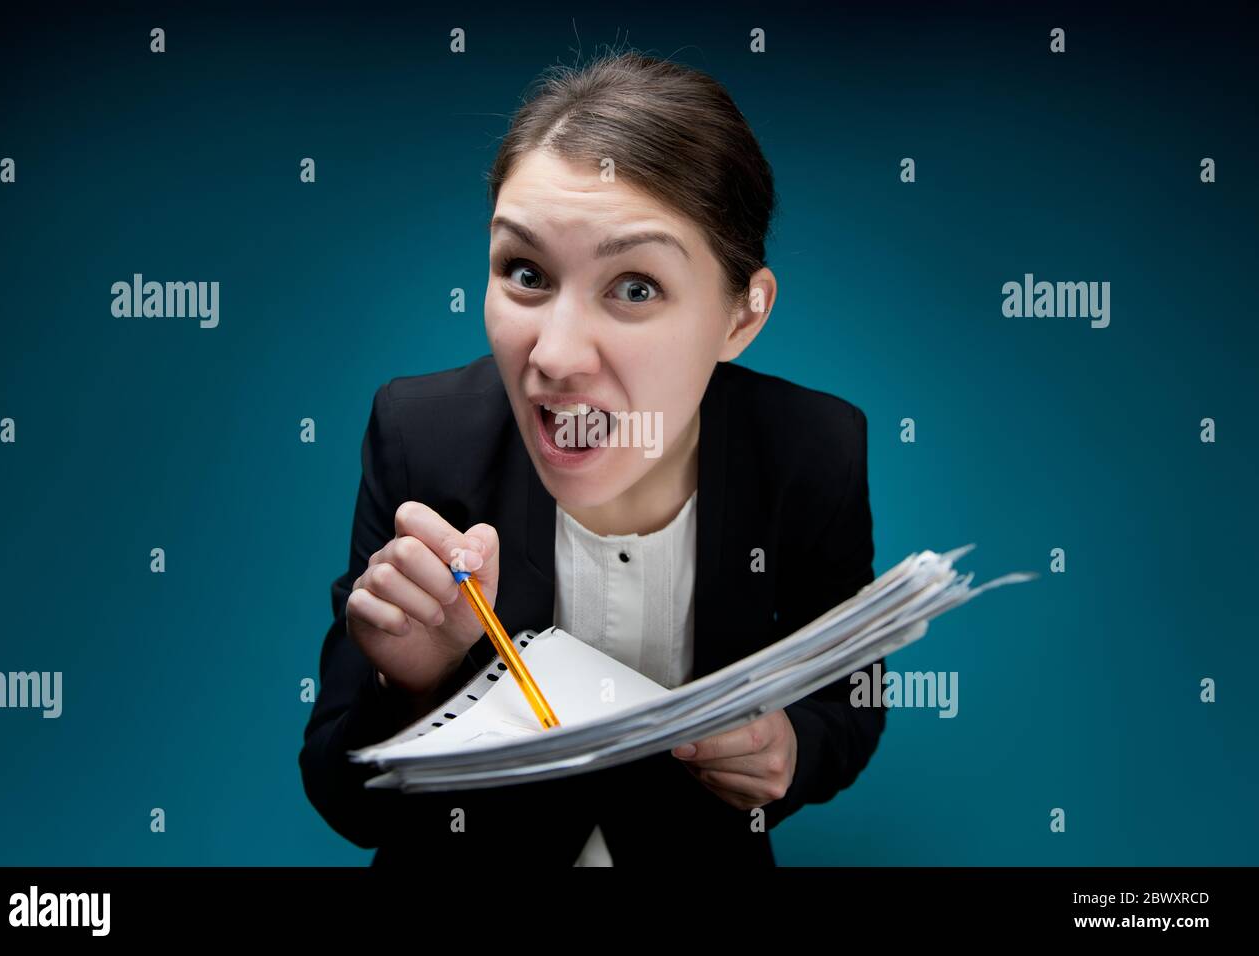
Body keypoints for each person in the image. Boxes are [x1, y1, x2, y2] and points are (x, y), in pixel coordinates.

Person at [300, 50, 886, 867]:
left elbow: (848, 693)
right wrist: (410, 687)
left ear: (741, 318)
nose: (557, 356)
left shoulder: (813, 450)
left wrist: (792, 744)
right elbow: (343, 795)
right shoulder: (420, 436)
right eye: (527, 273)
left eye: (635, 287)